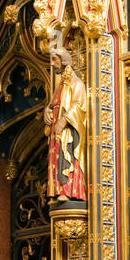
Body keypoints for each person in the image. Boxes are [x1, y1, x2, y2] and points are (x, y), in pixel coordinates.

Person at [44, 48, 88, 202]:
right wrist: (46, 112)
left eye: (55, 59)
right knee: (55, 159)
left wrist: (64, 120)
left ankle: (67, 191)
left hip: (67, 130)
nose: (52, 63)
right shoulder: (61, 85)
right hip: (56, 129)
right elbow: (52, 104)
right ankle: (55, 191)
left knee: (66, 155)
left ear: (64, 61)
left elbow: (80, 106)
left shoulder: (76, 83)